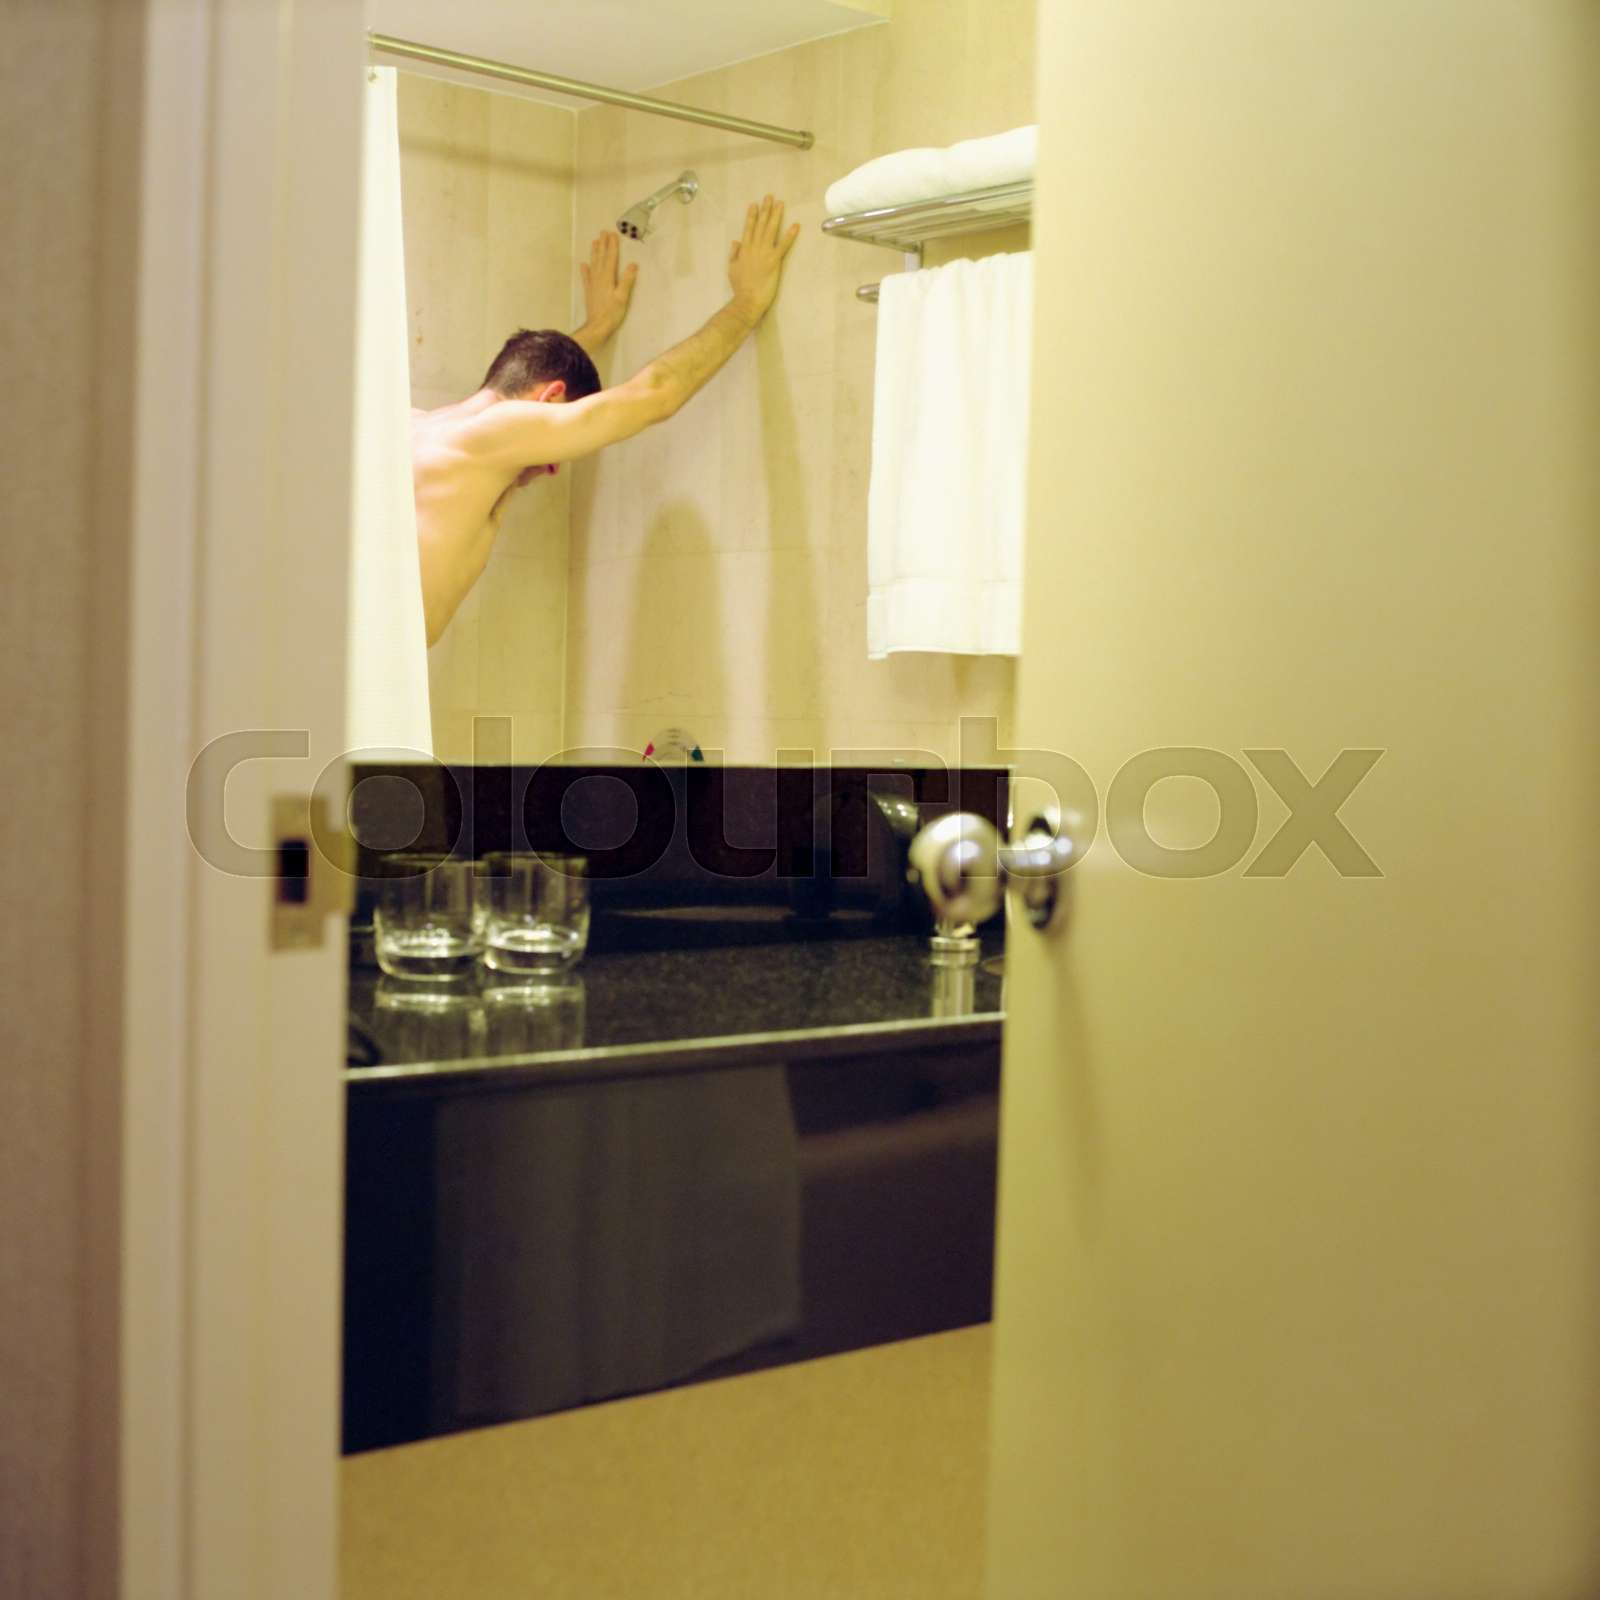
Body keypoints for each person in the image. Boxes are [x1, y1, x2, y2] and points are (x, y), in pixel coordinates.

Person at [410, 195, 800, 644]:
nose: (550, 466)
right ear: (555, 400)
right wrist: (747, 305)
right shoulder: (495, 435)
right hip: (374, 676)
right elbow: (656, 394)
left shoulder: (421, 430)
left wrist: (595, 329)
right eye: (561, 447)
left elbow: (532, 379)